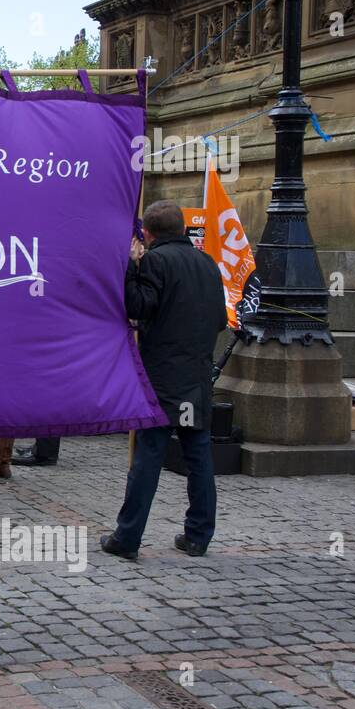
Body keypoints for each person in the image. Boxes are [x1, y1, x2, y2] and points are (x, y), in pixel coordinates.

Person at [101, 200, 227, 560]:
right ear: (184, 229)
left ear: (149, 233)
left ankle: (127, 538)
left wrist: (128, 267)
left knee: (148, 456)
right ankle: (198, 536)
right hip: (197, 374)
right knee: (199, 457)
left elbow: (138, 306)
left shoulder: (156, 260)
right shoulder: (208, 264)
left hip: (160, 375)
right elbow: (220, 319)